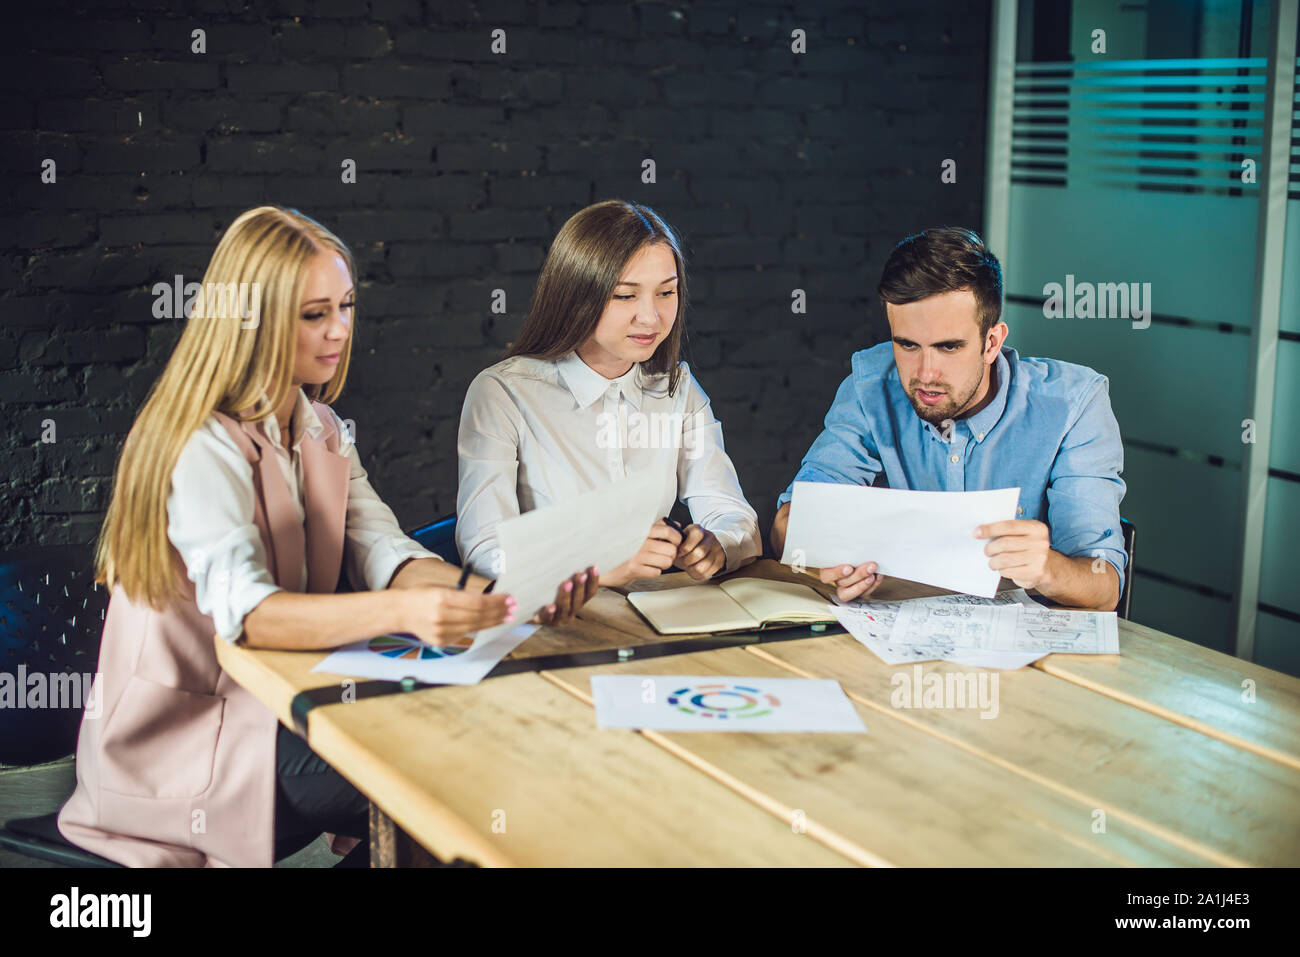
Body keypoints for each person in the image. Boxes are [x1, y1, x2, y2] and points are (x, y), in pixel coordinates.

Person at [58, 206, 515, 868]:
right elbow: (252, 615)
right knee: (442, 773)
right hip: (193, 746)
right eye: (313, 314)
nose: (339, 330)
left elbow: (384, 551)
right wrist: (406, 611)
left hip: (275, 706)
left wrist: (501, 594)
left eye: (347, 306)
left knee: (468, 742)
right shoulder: (200, 443)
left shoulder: (323, 427)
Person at [770, 226, 1126, 612]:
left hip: (1025, 650)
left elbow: (1104, 587)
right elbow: (788, 526)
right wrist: (832, 560)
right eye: (907, 344)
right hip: (896, 635)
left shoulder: (1073, 403)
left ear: (992, 343)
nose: (925, 373)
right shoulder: (870, 386)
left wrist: (1048, 569)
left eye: (948, 347)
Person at [456, 199, 761, 596]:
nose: (651, 317)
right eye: (625, 296)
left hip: (653, 615)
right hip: (554, 619)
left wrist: (716, 544)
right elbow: (484, 551)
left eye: (666, 293)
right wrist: (596, 565)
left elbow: (732, 513)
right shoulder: (504, 393)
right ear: (576, 294)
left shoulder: (678, 389)